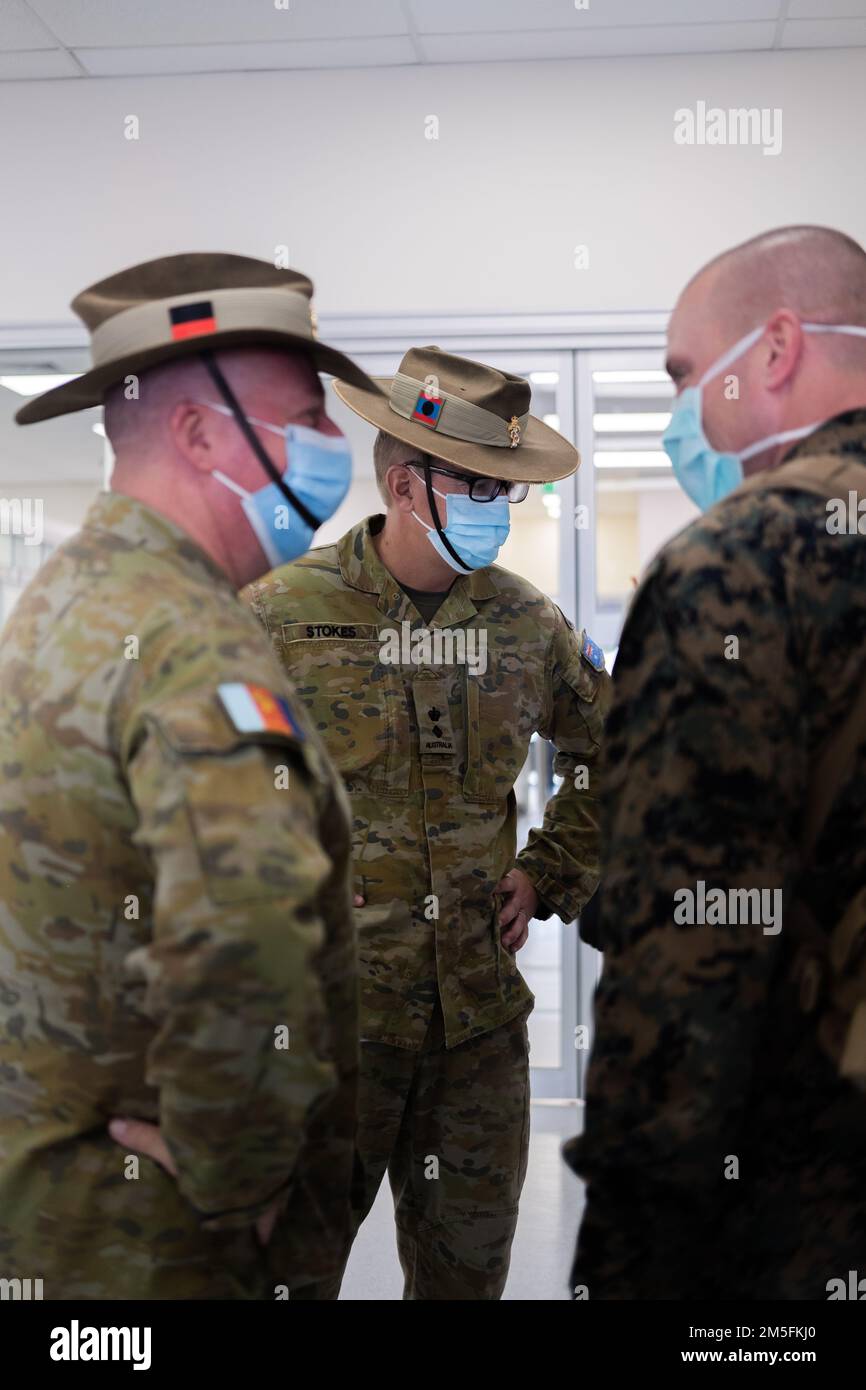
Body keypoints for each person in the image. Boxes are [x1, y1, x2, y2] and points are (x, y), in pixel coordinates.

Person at [0, 252, 380, 1299]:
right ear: (199, 432)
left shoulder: (63, 601)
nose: (334, 447)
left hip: (59, 1210)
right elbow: (243, 931)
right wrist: (239, 1171)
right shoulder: (187, 637)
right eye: (308, 416)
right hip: (161, 1246)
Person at [246, 345, 610, 1299]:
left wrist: (550, 867)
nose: (499, 507)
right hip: (331, 1027)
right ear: (407, 484)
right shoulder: (282, 616)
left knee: (465, 1283)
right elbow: (195, 789)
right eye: (480, 485)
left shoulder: (529, 625)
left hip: (477, 1031)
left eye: (508, 489)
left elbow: (614, 748)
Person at [567, 225, 866, 1300]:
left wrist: (630, 1250)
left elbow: (691, 944)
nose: (682, 409)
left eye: (687, 375)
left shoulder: (738, 560)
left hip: (798, 1196)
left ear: (775, 349)